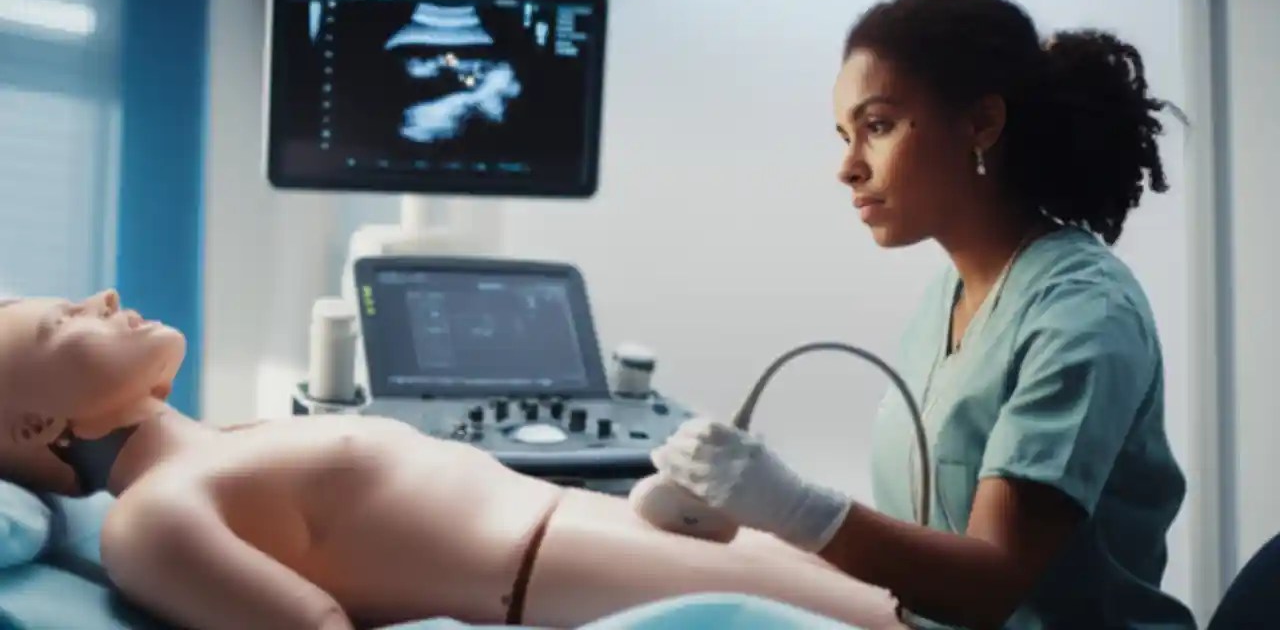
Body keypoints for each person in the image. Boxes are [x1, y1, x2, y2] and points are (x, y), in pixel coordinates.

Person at [647, 0, 1195, 630]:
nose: (847, 167)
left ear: (981, 123)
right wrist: (748, 513)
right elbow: (924, 549)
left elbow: (989, 583)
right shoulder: (949, 297)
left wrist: (786, 504)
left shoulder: (1084, 313)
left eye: (876, 127)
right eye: (845, 135)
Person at [0, 289, 907, 630]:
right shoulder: (150, 520)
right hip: (554, 570)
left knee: (912, 612)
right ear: (37, 429)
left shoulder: (232, 443)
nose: (102, 296)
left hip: (608, 531)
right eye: (61, 323)